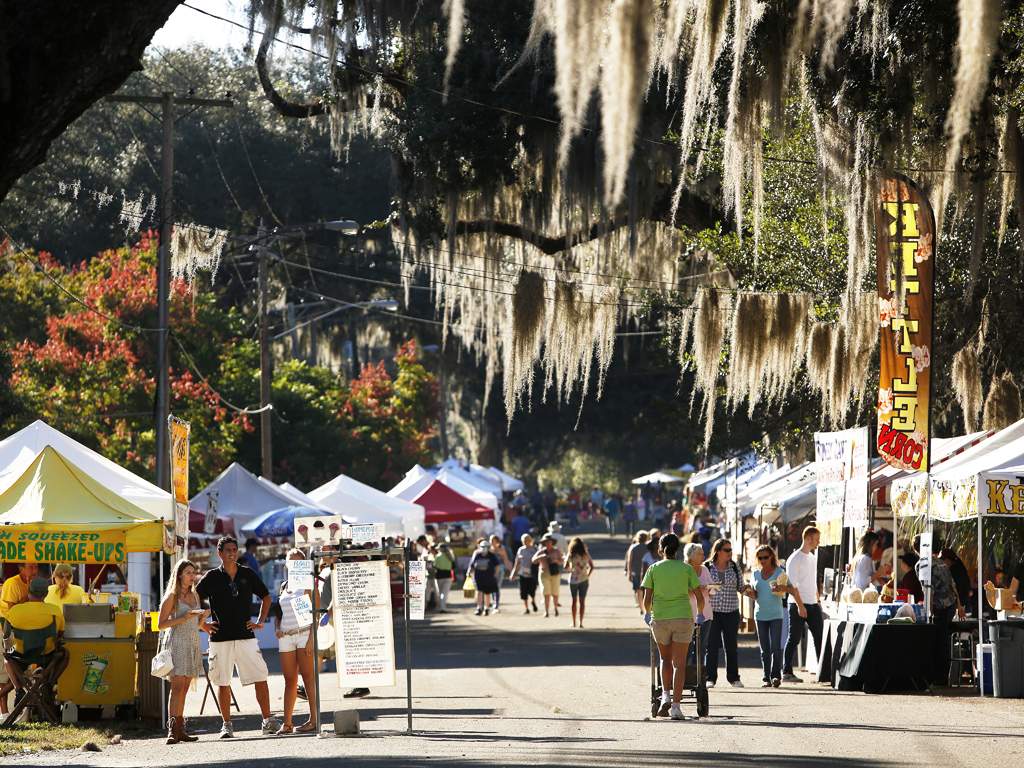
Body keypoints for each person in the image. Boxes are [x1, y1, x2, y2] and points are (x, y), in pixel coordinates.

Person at [197, 535, 279, 738]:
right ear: (220, 553)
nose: (232, 553)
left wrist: (260, 620)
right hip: (219, 638)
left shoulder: (247, 573)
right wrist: (202, 625)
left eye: (234, 549)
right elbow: (193, 598)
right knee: (222, 682)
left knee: (261, 677)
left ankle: (267, 721)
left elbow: (266, 597)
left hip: (246, 636)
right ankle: (226, 725)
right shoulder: (211, 577)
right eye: (228, 550)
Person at [643, 533, 703, 720]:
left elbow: (647, 600)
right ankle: (676, 706)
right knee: (680, 664)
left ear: (660, 549)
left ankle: (665, 697)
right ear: (677, 549)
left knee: (665, 659)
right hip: (683, 618)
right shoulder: (686, 569)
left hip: (660, 618)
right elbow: (699, 596)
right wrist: (699, 614)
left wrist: (647, 613)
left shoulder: (653, 569)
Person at [158, 559, 208, 744]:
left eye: (193, 572)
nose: (192, 576)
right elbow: (161, 624)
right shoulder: (172, 596)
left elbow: (197, 625)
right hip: (177, 642)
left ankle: (180, 728)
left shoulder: (195, 595)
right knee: (177, 686)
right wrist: (183, 618)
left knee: (185, 688)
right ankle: (172, 729)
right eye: (188, 572)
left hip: (192, 642)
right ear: (179, 575)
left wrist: (202, 618)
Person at [1, 577, 69, 711]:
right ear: (46, 594)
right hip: (46, 657)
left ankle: (19, 689)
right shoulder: (55, 611)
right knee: (66, 654)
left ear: (29, 592)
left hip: (20, 657)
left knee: (7, 657)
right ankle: (49, 684)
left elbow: (6, 637)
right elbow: (60, 635)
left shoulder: (14, 611)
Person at [744, 545, 804, 688]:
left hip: (776, 614)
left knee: (775, 647)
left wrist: (785, 590)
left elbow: (793, 591)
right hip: (760, 614)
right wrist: (749, 593)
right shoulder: (755, 574)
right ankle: (766, 677)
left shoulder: (780, 572)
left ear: (772, 556)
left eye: (766, 557)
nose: (763, 560)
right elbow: (755, 594)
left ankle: (776, 676)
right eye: (760, 558)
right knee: (764, 649)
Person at [273, 549, 317, 735]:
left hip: (304, 633)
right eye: (291, 560)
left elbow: (315, 613)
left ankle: (314, 719)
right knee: (289, 680)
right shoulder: (284, 585)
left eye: (299, 561)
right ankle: (288, 723)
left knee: (308, 677)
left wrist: (310, 640)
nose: (294, 563)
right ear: (286, 563)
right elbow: (279, 613)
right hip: (286, 636)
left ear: (304, 563)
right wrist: (277, 627)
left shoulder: (308, 583)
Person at [914, 535, 964, 685]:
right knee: (943, 641)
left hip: (939, 608)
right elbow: (953, 585)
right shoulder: (941, 563)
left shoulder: (922, 564)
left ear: (916, 549)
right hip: (950, 605)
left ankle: (937, 677)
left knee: (938, 642)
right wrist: (959, 606)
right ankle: (942, 676)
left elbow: (928, 589)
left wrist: (927, 610)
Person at [782, 526, 823, 683]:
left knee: (819, 637)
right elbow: (793, 586)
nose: (818, 542)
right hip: (797, 603)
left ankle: (822, 672)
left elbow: (812, 580)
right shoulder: (794, 558)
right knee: (794, 638)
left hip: (812, 603)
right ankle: (786, 671)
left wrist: (817, 598)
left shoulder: (812, 557)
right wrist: (800, 606)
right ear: (808, 538)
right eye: (816, 539)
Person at [704, 538, 744, 688]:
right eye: (727, 550)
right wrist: (714, 588)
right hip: (712, 612)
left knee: (731, 646)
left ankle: (734, 678)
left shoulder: (734, 567)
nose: (730, 553)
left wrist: (750, 592)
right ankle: (710, 678)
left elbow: (740, 587)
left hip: (731, 611)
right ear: (718, 551)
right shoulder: (707, 567)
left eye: (730, 550)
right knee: (711, 646)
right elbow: (701, 588)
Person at [684, 542, 714, 662]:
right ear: (690, 556)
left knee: (701, 647)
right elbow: (682, 591)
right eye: (700, 554)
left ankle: (699, 677)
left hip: (706, 614)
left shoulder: (705, 569)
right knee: (687, 646)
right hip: (688, 614)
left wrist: (711, 588)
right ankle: (685, 676)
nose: (703, 556)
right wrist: (699, 589)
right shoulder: (684, 570)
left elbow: (711, 588)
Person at [564, 537, 595, 628]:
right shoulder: (586, 554)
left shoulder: (571, 554)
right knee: (582, 602)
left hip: (573, 580)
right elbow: (592, 566)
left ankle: (573, 622)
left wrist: (572, 570)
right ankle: (581, 622)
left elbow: (565, 566)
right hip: (584, 579)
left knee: (574, 601)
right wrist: (587, 574)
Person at [532, 534, 563, 617]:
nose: (548, 544)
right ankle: (546, 611)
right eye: (546, 542)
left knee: (555, 592)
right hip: (544, 573)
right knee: (546, 593)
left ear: (552, 542)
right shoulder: (541, 551)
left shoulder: (556, 551)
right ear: (544, 543)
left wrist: (556, 561)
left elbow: (562, 561)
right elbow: (533, 560)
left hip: (555, 574)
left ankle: (556, 609)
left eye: (549, 542)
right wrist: (541, 557)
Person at [468, 539, 500, 616]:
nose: (484, 548)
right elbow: (472, 565)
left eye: (486, 547)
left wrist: (495, 575)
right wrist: (469, 572)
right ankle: (479, 607)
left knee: (487, 593)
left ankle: (486, 608)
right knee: (479, 592)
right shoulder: (477, 554)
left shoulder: (492, 555)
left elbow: (497, 566)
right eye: (482, 546)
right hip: (478, 576)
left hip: (489, 577)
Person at [511, 533, 539, 614]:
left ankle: (533, 601)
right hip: (522, 573)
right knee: (523, 592)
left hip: (532, 573)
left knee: (532, 590)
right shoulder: (521, 550)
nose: (526, 542)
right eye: (524, 540)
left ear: (530, 540)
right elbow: (517, 562)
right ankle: (526, 608)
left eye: (527, 540)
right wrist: (513, 573)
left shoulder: (534, 549)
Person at [625, 531, 650, 614]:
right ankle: (645, 606)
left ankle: (641, 607)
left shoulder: (633, 547)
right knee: (645, 589)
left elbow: (629, 561)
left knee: (638, 590)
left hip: (636, 572)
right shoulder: (648, 547)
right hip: (646, 571)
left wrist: (629, 572)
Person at [489, 534, 514, 613]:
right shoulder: (489, 549)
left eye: (494, 541)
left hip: (500, 569)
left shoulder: (501, 548)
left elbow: (505, 559)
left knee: (496, 587)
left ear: (497, 541)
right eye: (491, 541)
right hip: (491, 570)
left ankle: (496, 604)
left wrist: (511, 571)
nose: (492, 542)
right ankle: (494, 603)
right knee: (491, 587)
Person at [432, 542, 456, 612]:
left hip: (439, 576)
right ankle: (443, 607)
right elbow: (453, 566)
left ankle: (441, 607)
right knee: (445, 593)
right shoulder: (450, 556)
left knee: (440, 592)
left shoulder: (438, 556)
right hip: (448, 575)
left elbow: (434, 566)